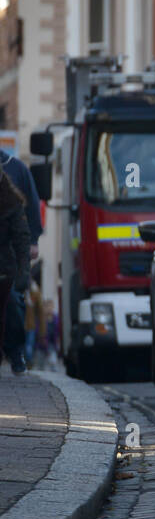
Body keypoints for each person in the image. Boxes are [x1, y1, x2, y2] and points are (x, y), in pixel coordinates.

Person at [1, 148, 42, 375]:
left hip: (8, 258)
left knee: (14, 302)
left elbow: (32, 211)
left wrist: (33, 240)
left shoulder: (17, 170)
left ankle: (16, 352)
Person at [0, 166, 31, 373]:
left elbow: (21, 238)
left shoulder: (12, 203)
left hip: (3, 266)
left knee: (10, 305)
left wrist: (23, 270)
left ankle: (16, 352)